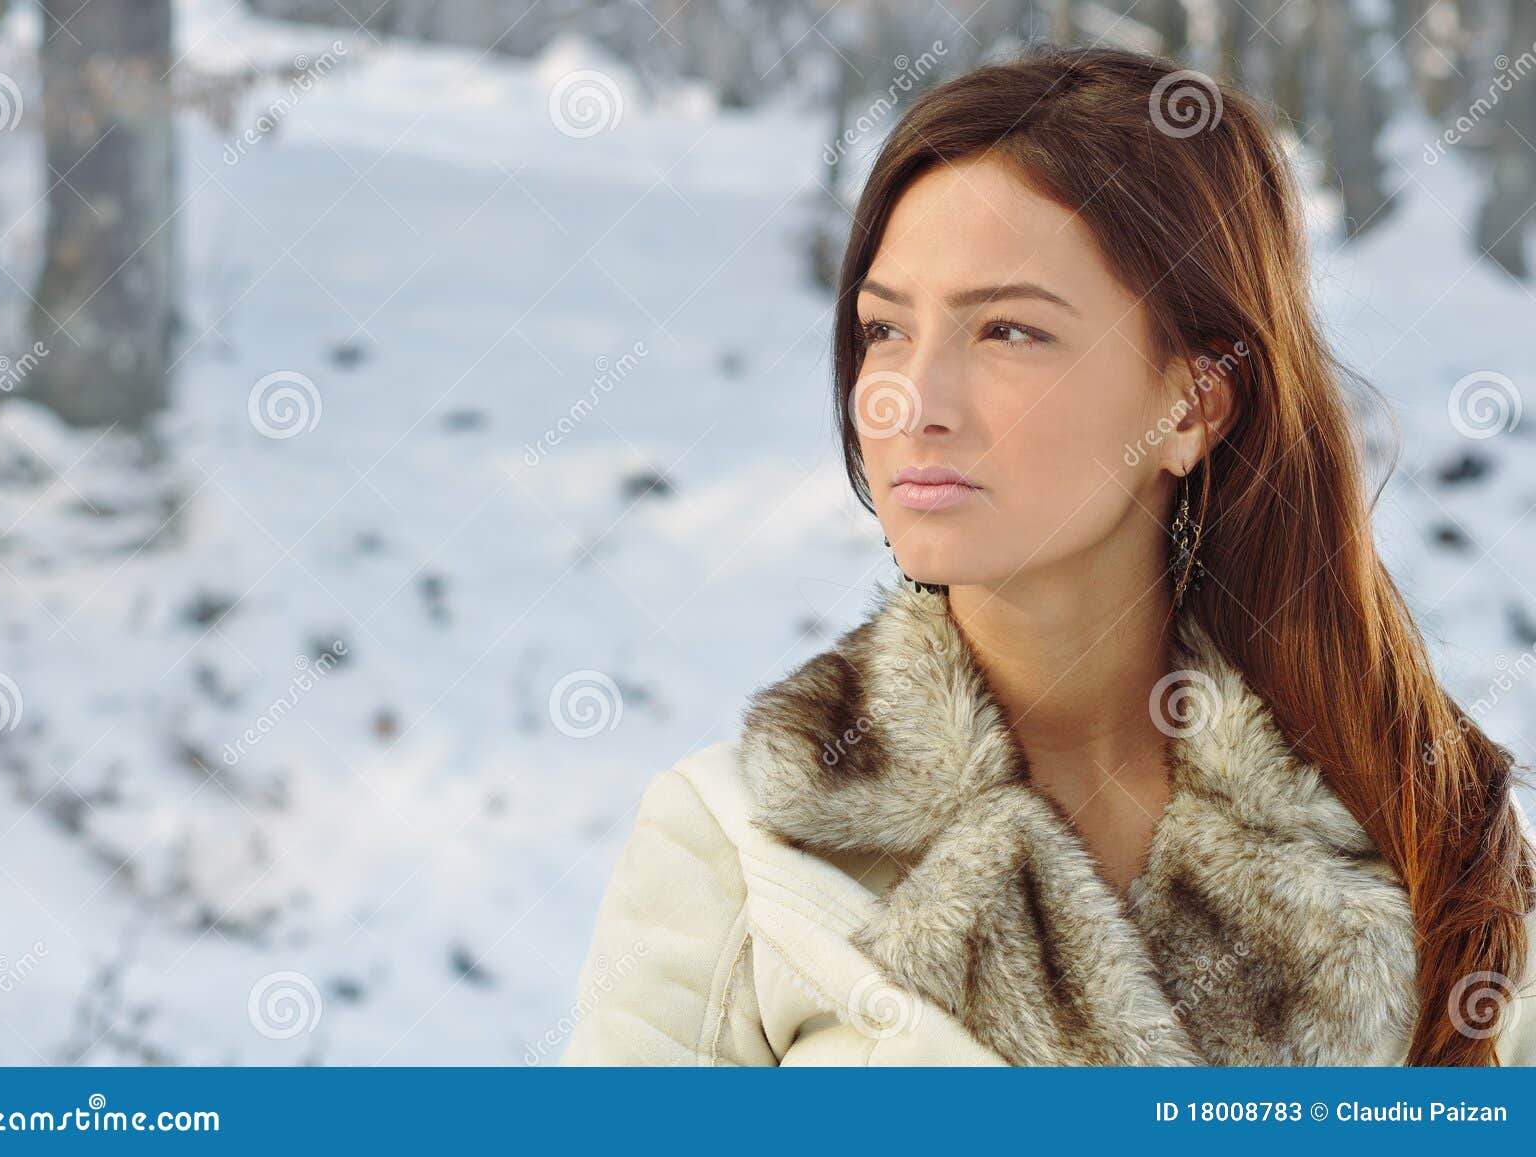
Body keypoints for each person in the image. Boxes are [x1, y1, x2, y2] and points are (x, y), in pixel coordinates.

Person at [560, 44, 1536, 1066]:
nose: (908, 399)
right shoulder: (735, 846)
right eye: (884, 330)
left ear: (1193, 402)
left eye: (1009, 331)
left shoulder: (1438, 850)